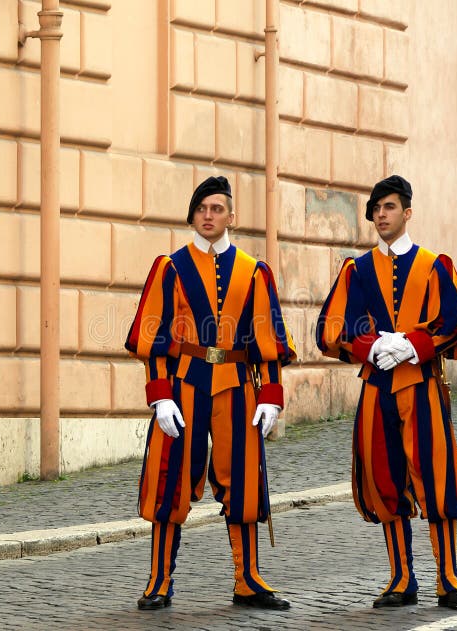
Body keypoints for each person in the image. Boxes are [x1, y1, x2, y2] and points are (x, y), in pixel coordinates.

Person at [125, 175, 296, 611]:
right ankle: (159, 581)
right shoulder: (171, 268)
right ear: (192, 216)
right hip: (184, 384)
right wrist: (160, 394)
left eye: (216, 208)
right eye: (201, 209)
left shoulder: (254, 271)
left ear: (230, 217)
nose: (208, 215)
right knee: (171, 481)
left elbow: (266, 338)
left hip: (237, 386)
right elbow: (154, 335)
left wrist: (271, 395)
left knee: (244, 480)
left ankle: (248, 579)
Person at [315, 175, 457, 610]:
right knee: (385, 479)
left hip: (423, 385)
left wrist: (413, 345)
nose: (381, 215)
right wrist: (373, 347)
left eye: (389, 207)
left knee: (436, 477)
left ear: (407, 212)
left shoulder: (434, 265)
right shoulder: (357, 270)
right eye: (376, 209)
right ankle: (401, 578)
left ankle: (448, 579)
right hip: (377, 387)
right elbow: (333, 327)